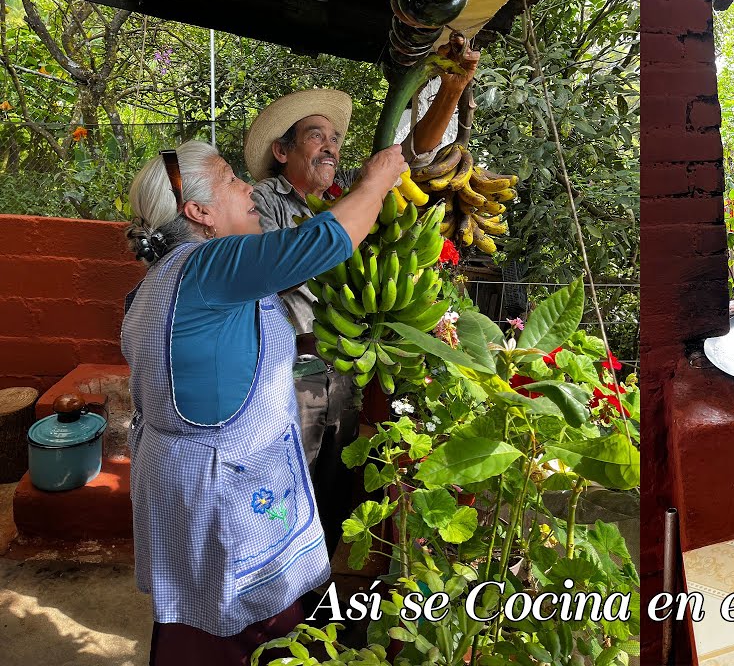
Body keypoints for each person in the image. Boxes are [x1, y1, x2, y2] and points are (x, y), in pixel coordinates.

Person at [120, 139, 406, 665]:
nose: (248, 188)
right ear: (199, 212)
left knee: (195, 626)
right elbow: (322, 242)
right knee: (245, 633)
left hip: (186, 489)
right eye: (231, 179)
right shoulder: (206, 265)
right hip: (223, 496)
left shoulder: (156, 285)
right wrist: (377, 181)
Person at [245, 42, 479, 557]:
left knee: (334, 478)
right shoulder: (261, 200)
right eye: (315, 137)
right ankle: (277, 579)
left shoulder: (350, 194)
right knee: (289, 477)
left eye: (334, 138)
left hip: (343, 363)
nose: (330, 147)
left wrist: (451, 91)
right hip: (290, 365)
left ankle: (319, 584)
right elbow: (278, 264)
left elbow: (406, 159)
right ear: (282, 152)